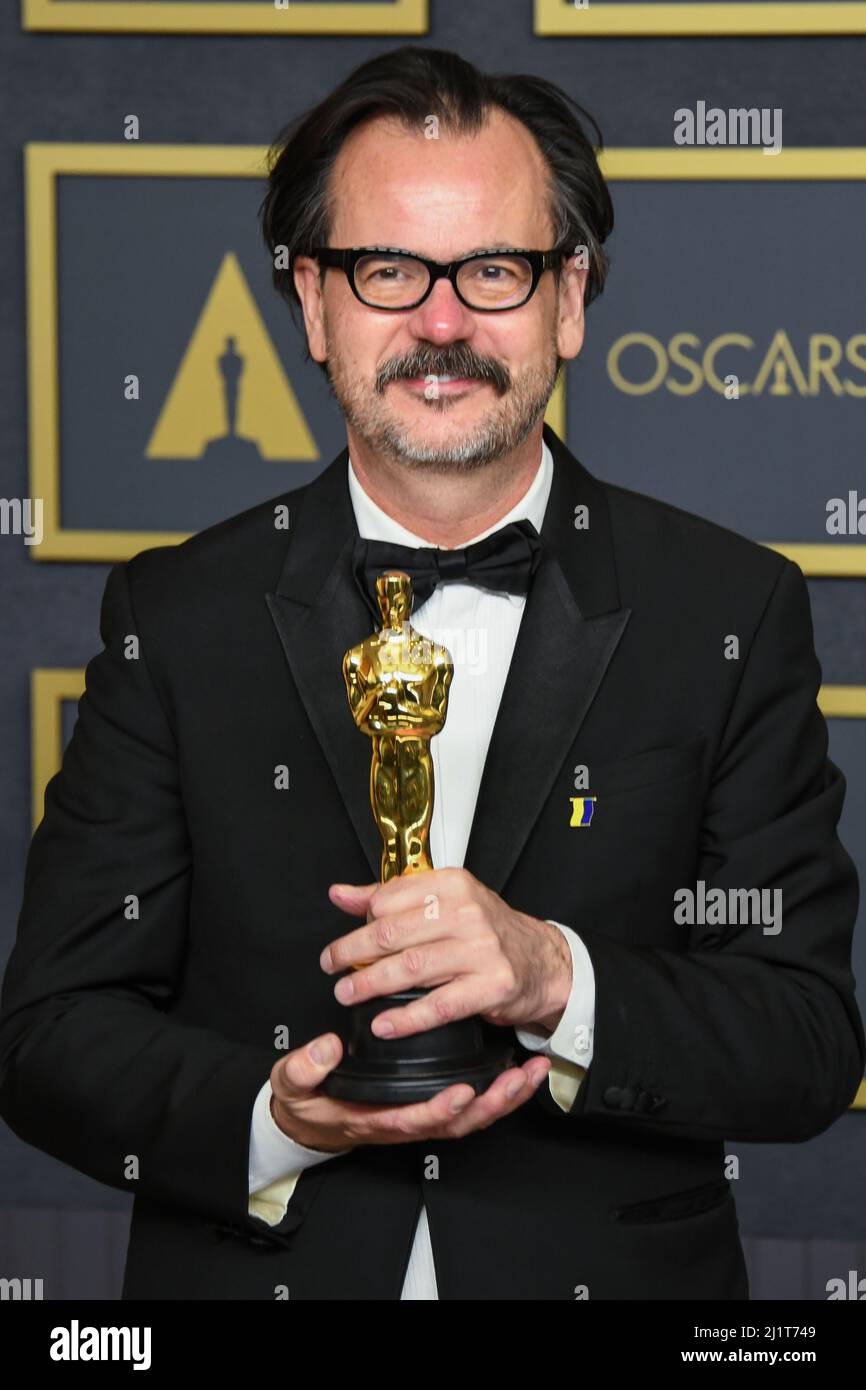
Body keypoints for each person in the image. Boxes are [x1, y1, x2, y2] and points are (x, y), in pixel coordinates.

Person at [0, 46, 862, 1301]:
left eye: (494, 271)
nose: (442, 321)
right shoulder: (178, 615)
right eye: (387, 270)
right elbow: (49, 1034)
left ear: (569, 299)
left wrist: (552, 975)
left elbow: (802, 1040)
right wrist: (277, 1120)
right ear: (310, 302)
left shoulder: (726, 608)